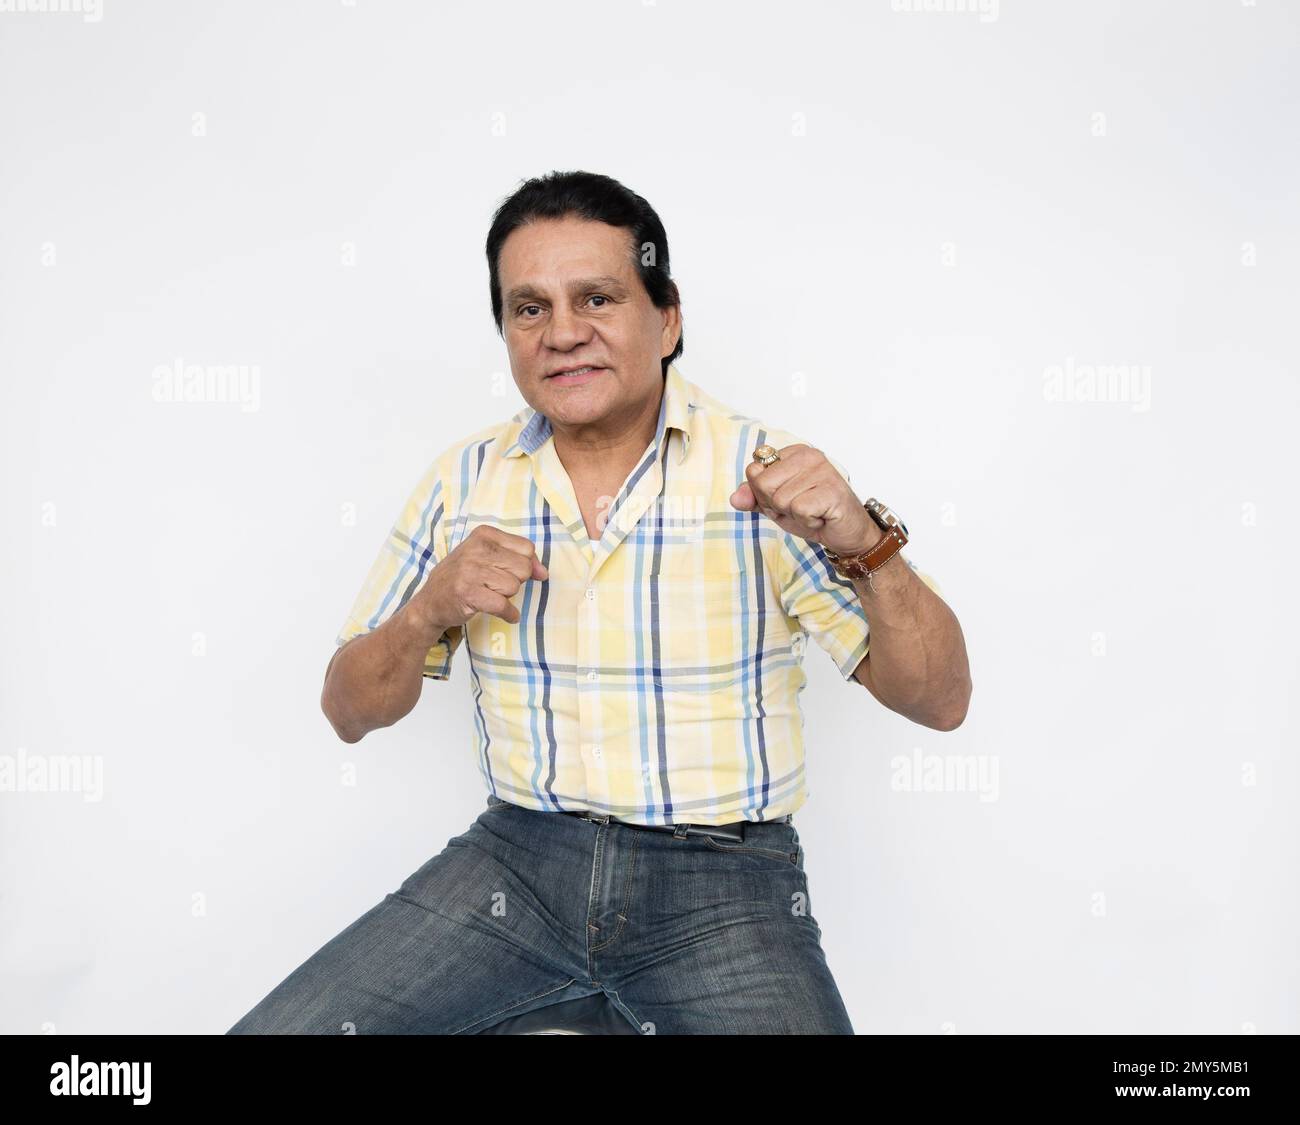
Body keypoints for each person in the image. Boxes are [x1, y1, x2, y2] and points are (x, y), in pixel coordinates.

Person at [226, 170, 971, 1035]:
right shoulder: (463, 479)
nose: (563, 333)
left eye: (598, 297)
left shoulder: (770, 476)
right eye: (529, 308)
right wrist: (429, 610)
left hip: (724, 885)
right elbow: (347, 709)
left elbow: (940, 700)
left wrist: (862, 541)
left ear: (668, 318)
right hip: (518, 867)